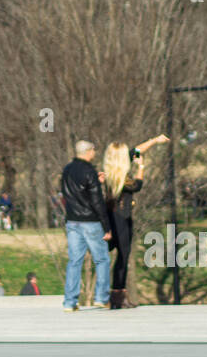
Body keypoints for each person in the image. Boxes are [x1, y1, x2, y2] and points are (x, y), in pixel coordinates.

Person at [102, 134, 169, 309]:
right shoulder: (117, 177)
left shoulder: (111, 170)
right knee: (122, 258)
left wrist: (154, 140)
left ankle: (116, 295)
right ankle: (116, 296)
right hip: (120, 219)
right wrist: (141, 167)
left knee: (119, 259)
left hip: (116, 217)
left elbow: (137, 150)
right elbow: (136, 186)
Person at [61, 139, 112, 312]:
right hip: (90, 221)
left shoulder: (67, 170)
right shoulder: (90, 171)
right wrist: (107, 226)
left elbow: (72, 193)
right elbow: (97, 201)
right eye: (94, 150)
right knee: (102, 259)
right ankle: (101, 297)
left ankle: (70, 301)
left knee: (75, 261)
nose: (95, 153)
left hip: (72, 220)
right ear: (88, 151)